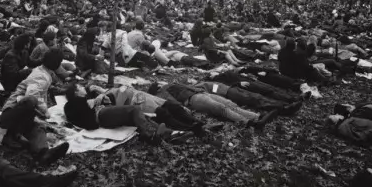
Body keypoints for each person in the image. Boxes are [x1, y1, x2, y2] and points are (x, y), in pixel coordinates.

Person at [0, 49, 69, 165]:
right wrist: (44, 110)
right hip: (10, 114)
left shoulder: (44, 71)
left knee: (38, 127)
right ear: (56, 64)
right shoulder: (41, 76)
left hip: (21, 116)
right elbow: (31, 96)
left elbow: (43, 90)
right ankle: (12, 134)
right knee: (31, 102)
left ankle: (43, 153)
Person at [63, 84, 172, 144]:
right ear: (76, 92)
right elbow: (84, 116)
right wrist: (96, 102)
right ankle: (150, 136)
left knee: (135, 116)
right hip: (100, 115)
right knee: (134, 109)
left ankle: (164, 133)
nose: (83, 88)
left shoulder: (82, 101)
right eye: (80, 87)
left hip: (103, 112)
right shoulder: (72, 104)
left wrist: (103, 99)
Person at [148, 82, 278, 129]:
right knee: (220, 107)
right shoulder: (162, 93)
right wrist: (184, 108)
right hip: (193, 99)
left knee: (228, 103)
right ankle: (248, 122)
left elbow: (191, 86)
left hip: (200, 92)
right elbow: (172, 102)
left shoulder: (172, 84)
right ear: (158, 88)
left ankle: (256, 116)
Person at [87, 84, 206, 135]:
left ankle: (195, 122)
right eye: (94, 88)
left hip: (142, 95)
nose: (96, 88)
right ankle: (189, 128)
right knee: (164, 114)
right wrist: (101, 96)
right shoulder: (100, 99)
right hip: (138, 102)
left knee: (174, 107)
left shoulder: (110, 89)